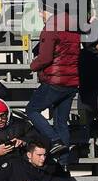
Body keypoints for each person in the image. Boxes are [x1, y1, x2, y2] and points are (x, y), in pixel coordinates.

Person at [25, 10, 79, 157]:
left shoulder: (51, 29)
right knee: (61, 123)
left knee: (31, 110)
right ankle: (64, 163)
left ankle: (54, 140)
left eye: (42, 11)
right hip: (71, 82)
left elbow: (45, 58)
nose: (40, 14)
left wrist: (32, 66)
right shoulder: (73, 29)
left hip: (55, 80)